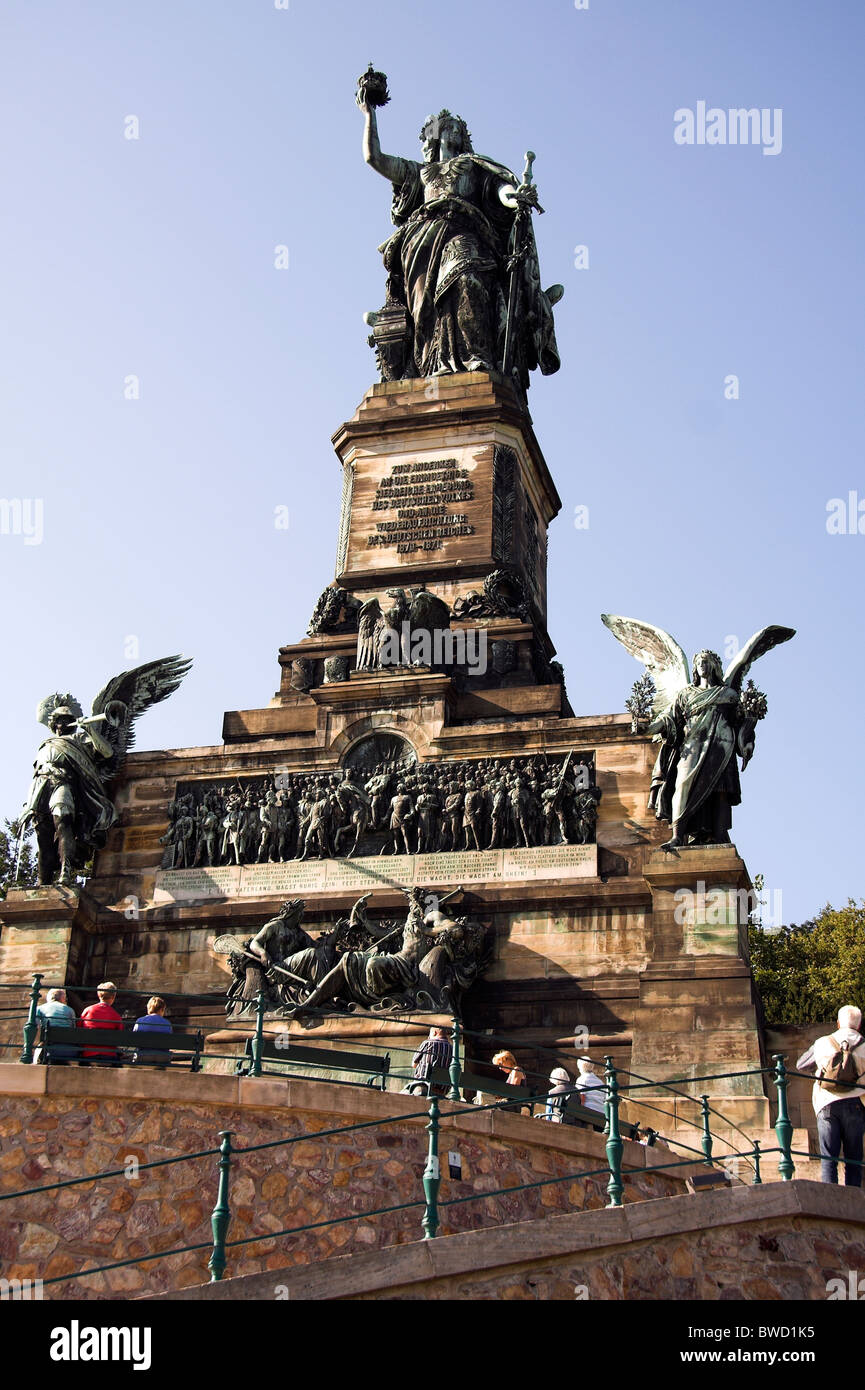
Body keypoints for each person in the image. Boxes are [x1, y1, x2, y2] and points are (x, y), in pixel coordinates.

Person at [799, 1005, 865, 1186]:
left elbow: (801, 1065)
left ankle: (830, 1208)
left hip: (827, 1103)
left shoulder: (822, 1043)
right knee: (854, 1161)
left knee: (828, 1159)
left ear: (837, 1023)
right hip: (856, 1104)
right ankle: (852, 1208)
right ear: (859, 1026)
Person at [79, 981, 123, 1063]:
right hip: (109, 1055)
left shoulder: (87, 1010)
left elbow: (79, 1029)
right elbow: (119, 1037)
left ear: (98, 995)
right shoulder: (115, 1015)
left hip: (88, 1054)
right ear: (114, 996)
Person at [406, 1027, 453, 1096]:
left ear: (434, 1033)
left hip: (424, 1086)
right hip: (442, 1090)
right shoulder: (452, 1048)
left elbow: (414, 1064)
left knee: (402, 1093)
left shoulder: (428, 1043)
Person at [35, 987, 77, 1064]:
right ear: (63, 998)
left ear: (49, 998)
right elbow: (73, 1028)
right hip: (68, 1049)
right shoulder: (70, 1010)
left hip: (48, 1048)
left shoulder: (40, 1008)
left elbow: (34, 1027)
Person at [132, 995, 173, 1066]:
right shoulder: (167, 1023)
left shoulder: (140, 1021)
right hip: (162, 1058)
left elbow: (134, 1040)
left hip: (143, 1056)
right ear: (161, 1009)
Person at [575, 1058, 607, 1127]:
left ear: (581, 1067)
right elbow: (604, 1099)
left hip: (588, 1114)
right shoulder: (600, 1082)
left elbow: (581, 1098)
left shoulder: (582, 1080)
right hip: (601, 1113)